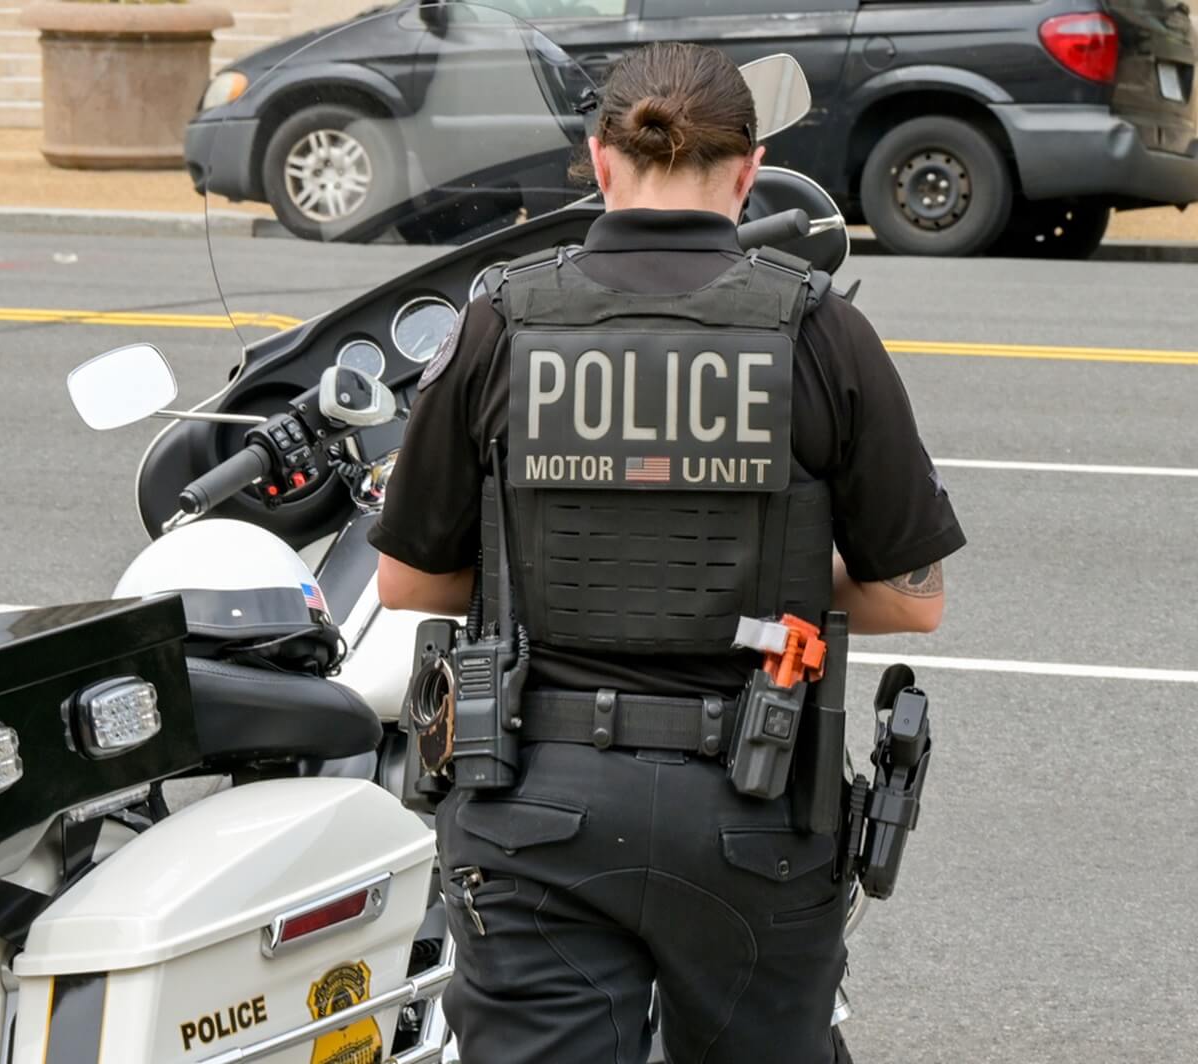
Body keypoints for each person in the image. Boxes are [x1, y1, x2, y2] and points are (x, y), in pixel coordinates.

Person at [368, 41, 966, 1064]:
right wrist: (755, 567)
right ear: (748, 168)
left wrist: (547, 559)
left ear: (600, 163)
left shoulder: (501, 317)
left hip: (532, 794)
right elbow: (910, 599)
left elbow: (407, 580)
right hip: (754, 802)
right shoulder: (818, 326)